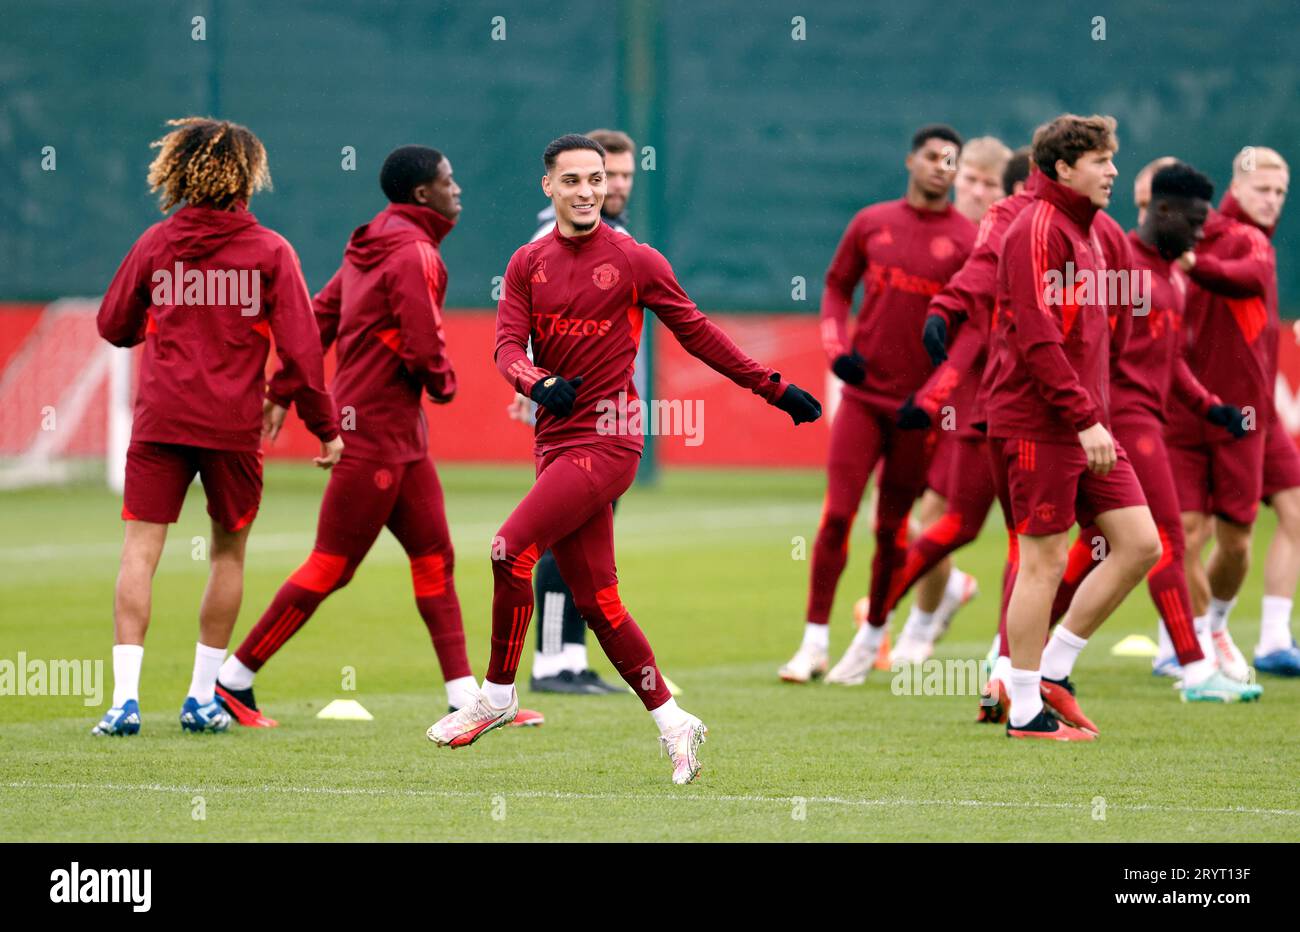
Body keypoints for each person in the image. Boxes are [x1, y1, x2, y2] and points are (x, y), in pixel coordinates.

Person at [426, 134, 821, 784]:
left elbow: (698, 332)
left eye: (597, 180)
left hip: (610, 439)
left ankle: (496, 696)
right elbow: (503, 347)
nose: (589, 190)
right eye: (574, 180)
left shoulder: (635, 260)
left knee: (508, 550)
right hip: (554, 439)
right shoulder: (527, 262)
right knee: (600, 601)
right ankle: (674, 721)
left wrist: (774, 389)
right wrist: (535, 380)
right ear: (547, 186)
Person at [214, 146, 542, 728]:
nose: (457, 189)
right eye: (448, 180)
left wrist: (282, 389)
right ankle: (233, 680)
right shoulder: (415, 252)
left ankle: (467, 698)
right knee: (331, 566)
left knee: (435, 561)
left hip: (397, 437)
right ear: (423, 196)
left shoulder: (372, 243)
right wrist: (442, 382)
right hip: (373, 435)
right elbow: (421, 343)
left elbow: (317, 319)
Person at [93, 117, 341, 736]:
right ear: (247, 176)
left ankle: (124, 701)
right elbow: (302, 353)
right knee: (227, 552)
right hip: (231, 429)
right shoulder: (270, 252)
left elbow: (113, 325)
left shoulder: (156, 243)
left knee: (140, 551)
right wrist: (325, 427)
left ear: (177, 171)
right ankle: (201, 699)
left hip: (159, 421)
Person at [1031, 162, 1261, 702]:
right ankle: (1193, 669)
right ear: (1163, 210)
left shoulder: (1170, 278)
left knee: (1097, 545)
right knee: (1165, 540)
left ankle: (1022, 653)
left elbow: (1169, 361)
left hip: (1143, 417)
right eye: (1196, 220)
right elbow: (1087, 344)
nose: (1203, 231)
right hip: (1124, 420)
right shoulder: (1119, 264)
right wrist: (1088, 417)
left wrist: (1209, 406)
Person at [986, 113, 1162, 740]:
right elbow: (1035, 336)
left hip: (1084, 425)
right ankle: (1026, 712)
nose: (1113, 170)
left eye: (1113, 158)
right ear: (1063, 168)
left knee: (1141, 544)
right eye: (1100, 160)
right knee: (1044, 563)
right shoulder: (1036, 228)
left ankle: (1054, 669)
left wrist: (1096, 417)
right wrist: (1087, 418)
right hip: (1038, 423)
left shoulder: (1089, 232)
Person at [779, 124, 975, 685]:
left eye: (952, 162)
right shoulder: (871, 222)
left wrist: (936, 394)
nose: (943, 168)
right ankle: (813, 641)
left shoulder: (966, 240)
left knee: (892, 529)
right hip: (863, 398)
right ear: (910, 161)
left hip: (919, 410)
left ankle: (869, 641)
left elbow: (971, 329)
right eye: (934, 158)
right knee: (838, 514)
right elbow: (837, 286)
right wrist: (836, 348)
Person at [1166, 146, 1300, 679]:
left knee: (1254, 531)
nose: (1272, 202)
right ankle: (1189, 641)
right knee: (1188, 532)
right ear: (1236, 187)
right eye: (1263, 190)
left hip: (1253, 414)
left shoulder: (1249, 246)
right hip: (1195, 411)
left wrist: (1193, 262)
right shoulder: (1207, 230)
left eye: (1281, 193)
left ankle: (1253, 634)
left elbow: (1242, 278)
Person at [515, 129, 638, 696]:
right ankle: (549, 662)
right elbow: (540, 311)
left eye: (622, 176)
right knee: (560, 535)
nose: (614, 186)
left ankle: (568, 658)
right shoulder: (552, 236)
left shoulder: (618, 240)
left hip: (608, 411)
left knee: (586, 533)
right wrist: (534, 382)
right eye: (604, 175)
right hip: (572, 412)